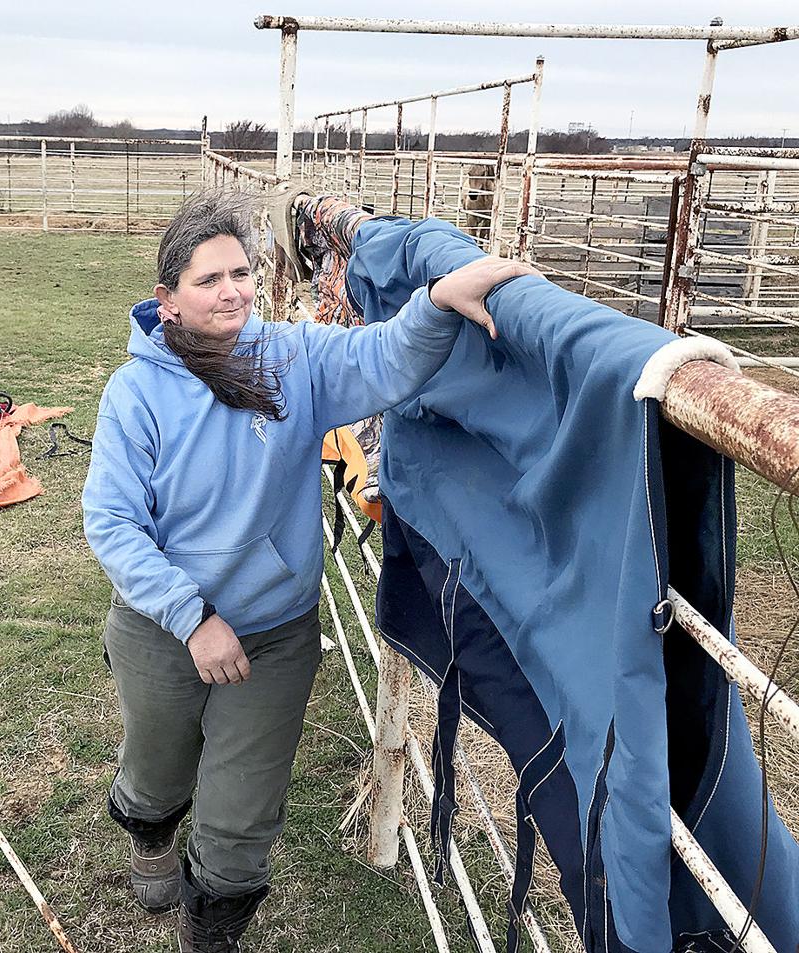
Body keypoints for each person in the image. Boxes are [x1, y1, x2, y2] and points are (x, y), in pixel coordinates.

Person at [82, 190, 538, 952]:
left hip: (273, 633)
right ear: (169, 299)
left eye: (241, 272)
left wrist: (435, 300)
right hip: (163, 629)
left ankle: (211, 927)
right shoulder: (137, 395)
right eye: (208, 279)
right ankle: (151, 831)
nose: (231, 290)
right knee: (157, 772)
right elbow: (112, 522)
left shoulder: (291, 357)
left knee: (240, 815)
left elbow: (382, 357)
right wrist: (193, 618)